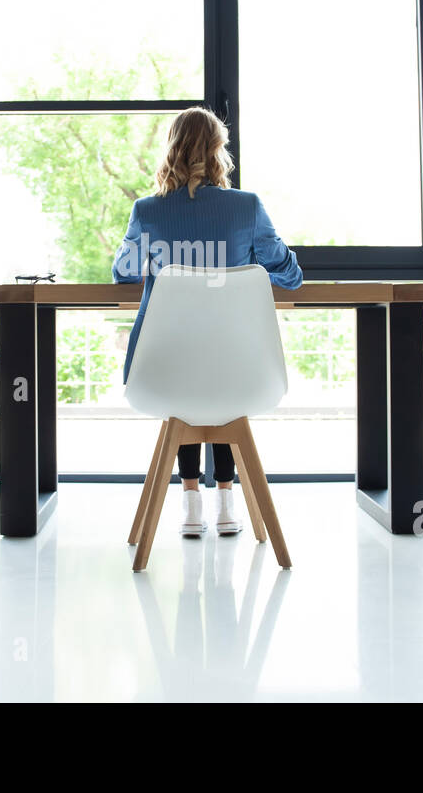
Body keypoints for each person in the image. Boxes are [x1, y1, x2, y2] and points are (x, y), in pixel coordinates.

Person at [112, 106, 302, 537]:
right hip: (239, 369)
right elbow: (289, 277)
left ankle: (191, 502)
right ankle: (226, 500)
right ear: (219, 152)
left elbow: (122, 272)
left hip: (162, 369)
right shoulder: (247, 208)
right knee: (219, 373)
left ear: (171, 152)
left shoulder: (146, 211)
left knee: (187, 378)